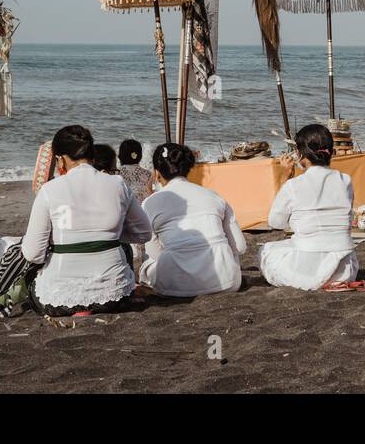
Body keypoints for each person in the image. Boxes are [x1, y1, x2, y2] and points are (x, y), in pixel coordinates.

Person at [21, 125, 154, 315]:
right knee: (120, 249)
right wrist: (110, 234)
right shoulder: (117, 184)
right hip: (114, 295)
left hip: (60, 299)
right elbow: (143, 233)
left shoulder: (49, 190)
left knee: (31, 280)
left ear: (61, 159)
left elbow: (33, 254)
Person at [139, 142, 247, 297]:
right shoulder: (213, 196)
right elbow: (241, 246)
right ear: (187, 169)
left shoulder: (150, 203)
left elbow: (154, 253)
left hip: (173, 288)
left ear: (156, 174)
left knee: (146, 265)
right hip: (227, 282)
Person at [259, 123, 359, 290]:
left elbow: (276, 223)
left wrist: (286, 177)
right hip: (345, 271)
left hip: (308, 274)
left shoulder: (293, 185)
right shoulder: (345, 181)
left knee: (266, 250)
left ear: (299, 154)